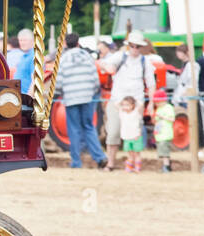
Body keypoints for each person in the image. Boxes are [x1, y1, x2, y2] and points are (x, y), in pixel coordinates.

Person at [101, 30, 156, 171]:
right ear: (128, 45)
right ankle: (110, 163)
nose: (135, 49)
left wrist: (150, 103)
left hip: (136, 102)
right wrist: (108, 68)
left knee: (134, 135)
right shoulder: (119, 57)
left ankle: (134, 163)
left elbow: (151, 84)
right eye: (133, 46)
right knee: (113, 133)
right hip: (117, 101)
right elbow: (103, 64)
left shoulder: (146, 62)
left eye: (138, 46)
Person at [53, 32, 107, 169]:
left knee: (74, 129)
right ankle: (99, 157)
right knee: (89, 127)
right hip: (87, 96)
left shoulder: (63, 59)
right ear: (78, 43)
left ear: (66, 44)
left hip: (71, 97)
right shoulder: (87, 56)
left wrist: (60, 93)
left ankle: (76, 161)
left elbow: (58, 82)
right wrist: (93, 91)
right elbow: (95, 78)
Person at [118, 96, 145, 172]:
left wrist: (135, 100)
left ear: (132, 105)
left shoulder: (136, 112)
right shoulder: (122, 114)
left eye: (127, 105)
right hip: (127, 137)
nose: (125, 107)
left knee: (137, 154)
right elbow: (116, 105)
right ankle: (129, 167)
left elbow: (141, 104)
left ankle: (137, 168)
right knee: (130, 154)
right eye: (123, 105)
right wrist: (121, 103)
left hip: (135, 136)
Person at [153, 91, 176, 172]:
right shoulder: (159, 109)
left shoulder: (169, 108)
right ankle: (166, 165)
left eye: (158, 102)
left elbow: (172, 119)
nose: (157, 104)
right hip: (159, 135)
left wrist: (162, 117)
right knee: (162, 152)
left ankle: (166, 167)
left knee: (165, 152)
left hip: (166, 134)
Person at [14, 29, 35, 93]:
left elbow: (35, 81)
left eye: (25, 40)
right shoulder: (24, 56)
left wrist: (28, 98)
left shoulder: (34, 56)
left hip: (25, 97)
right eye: (20, 40)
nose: (22, 43)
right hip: (18, 95)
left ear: (32, 41)